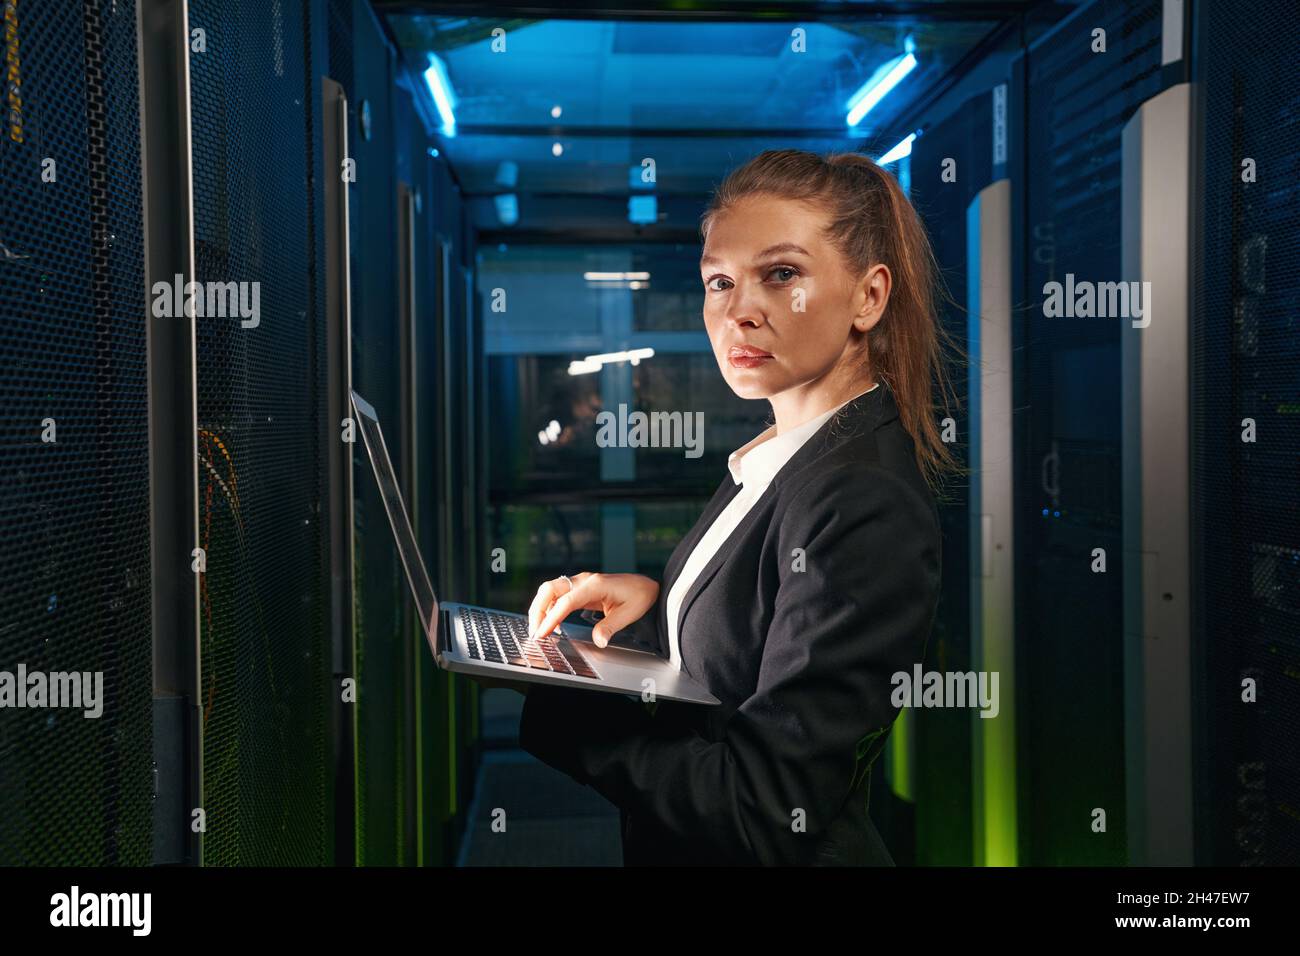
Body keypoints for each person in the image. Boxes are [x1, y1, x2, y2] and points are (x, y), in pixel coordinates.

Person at [472, 148, 953, 865]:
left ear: (868, 298)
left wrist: (567, 714)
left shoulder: (863, 500)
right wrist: (665, 602)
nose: (739, 311)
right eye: (719, 281)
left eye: (780, 275)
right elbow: (754, 643)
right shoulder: (780, 455)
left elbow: (764, 807)